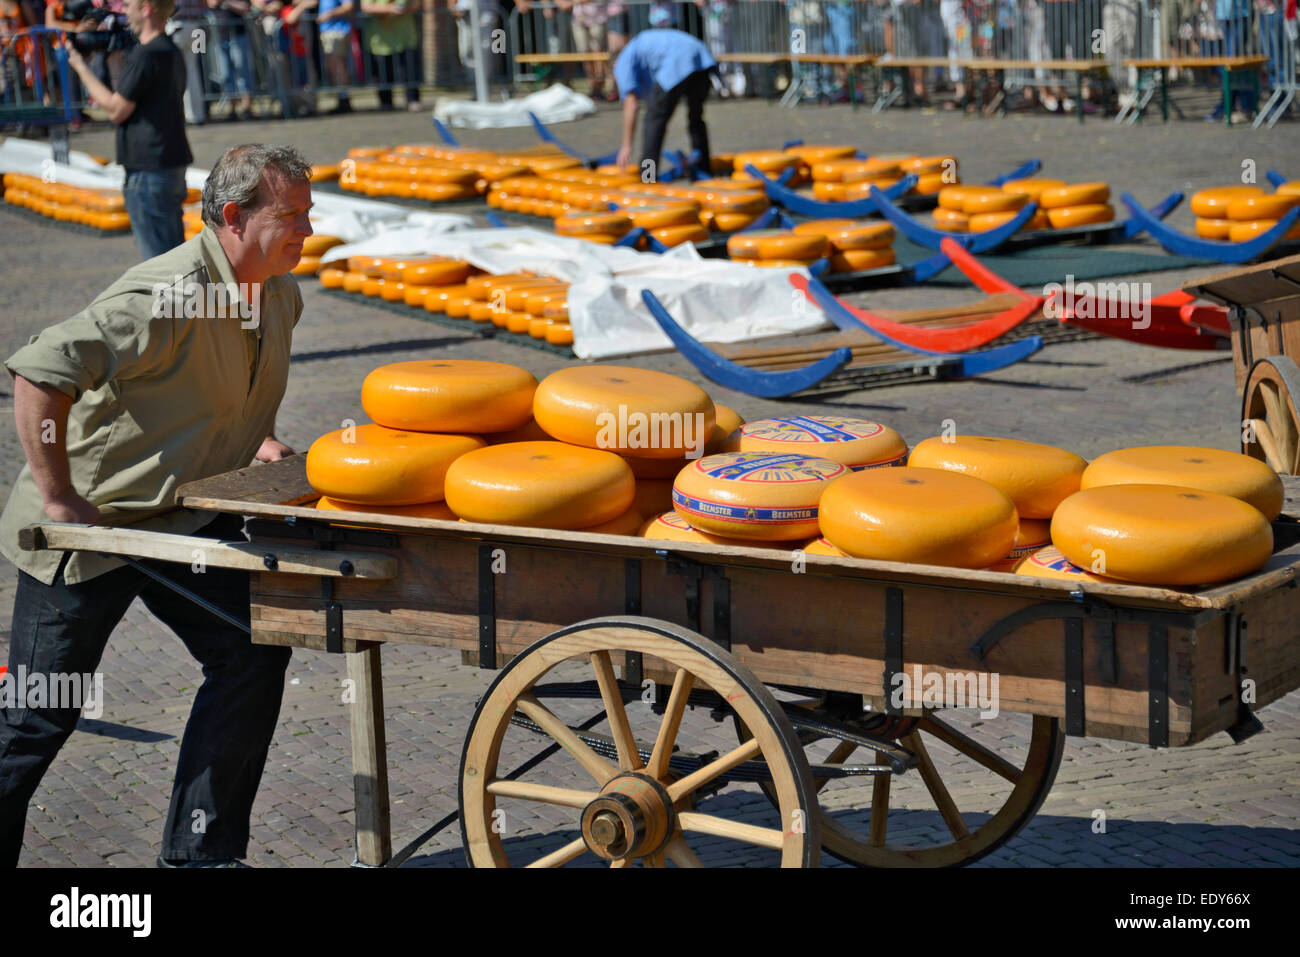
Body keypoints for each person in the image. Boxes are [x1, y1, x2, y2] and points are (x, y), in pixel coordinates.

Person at [0, 143, 311, 869]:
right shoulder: (165, 292)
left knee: (251, 651)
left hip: (185, 522)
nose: (308, 228)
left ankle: (200, 855)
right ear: (233, 217)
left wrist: (259, 441)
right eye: (291, 215)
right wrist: (58, 495)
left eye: (309, 212)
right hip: (92, 531)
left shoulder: (278, 290)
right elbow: (40, 372)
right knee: (37, 719)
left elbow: (225, 384)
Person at [65, 0, 194, 260]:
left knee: (159, 264)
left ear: (146, 8)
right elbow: (130, 92)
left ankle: (175, 302)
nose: (124, 11)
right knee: (174, 260)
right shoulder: (168, 50)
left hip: (149, 170)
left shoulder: (147, 54)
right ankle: (185, 300)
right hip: (167, 164)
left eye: (128, 6)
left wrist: (81, 67)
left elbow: (116, 109)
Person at [613, 27, 717, 177]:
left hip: (677, 63)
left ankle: (648, 176)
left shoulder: (622, 62)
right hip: (702, 57)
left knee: (653, 122)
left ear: (613, 65)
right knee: (696, 118)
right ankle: (703, 168)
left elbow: (631, 103)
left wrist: (626, 146)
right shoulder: (639, 47)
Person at [361, 0, 420, 111]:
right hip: (381, 42)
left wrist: (402, 9)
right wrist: (389, 9)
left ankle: (412, 100)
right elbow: (366, 6)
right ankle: (386, 103)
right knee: (383, 74)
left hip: (406, 38)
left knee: (409, 72)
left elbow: (416, 4)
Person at [317, 0, 354, 112]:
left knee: (339, 67)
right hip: (328, 32)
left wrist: (329, 14)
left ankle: (344, 98)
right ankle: (341, 97)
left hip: (336, 31)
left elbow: (348, 6)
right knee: (333, 68)